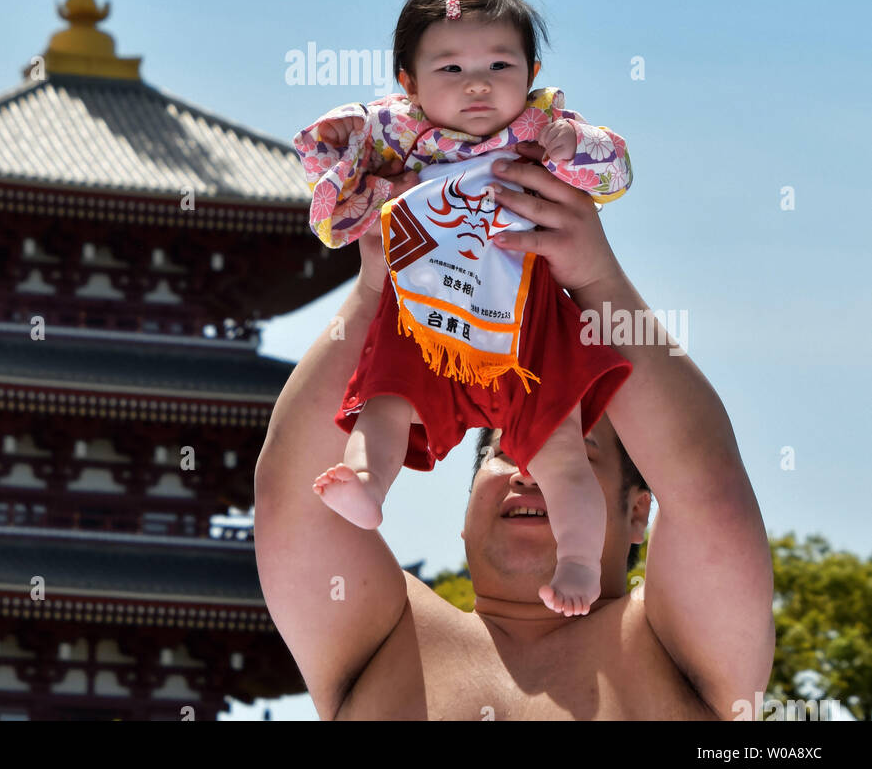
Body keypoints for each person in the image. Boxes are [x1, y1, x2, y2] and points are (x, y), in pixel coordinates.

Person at [255, 114, 775, 721]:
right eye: (502, 453)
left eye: (578, 449)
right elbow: (294, 496)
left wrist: (596, 280)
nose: (527, 469)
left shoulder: (678, 650)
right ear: (464, 514)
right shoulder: (381, 636)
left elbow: (707, 491)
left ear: (639, 511)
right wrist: (380, 288)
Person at [292, 0, 634, 615]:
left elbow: (615, 169)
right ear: (409, 82)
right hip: (424, 306)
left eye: (499, 65)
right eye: (450, 66)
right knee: (384, 400)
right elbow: (328, 157)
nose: (477, 84)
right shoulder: (394, 131)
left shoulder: (542, 127)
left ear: (531, 72)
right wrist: (340, 139)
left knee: (561, 450)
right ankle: (369, 480)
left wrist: (573, 147)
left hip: (526, 316)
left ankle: (582, 558)